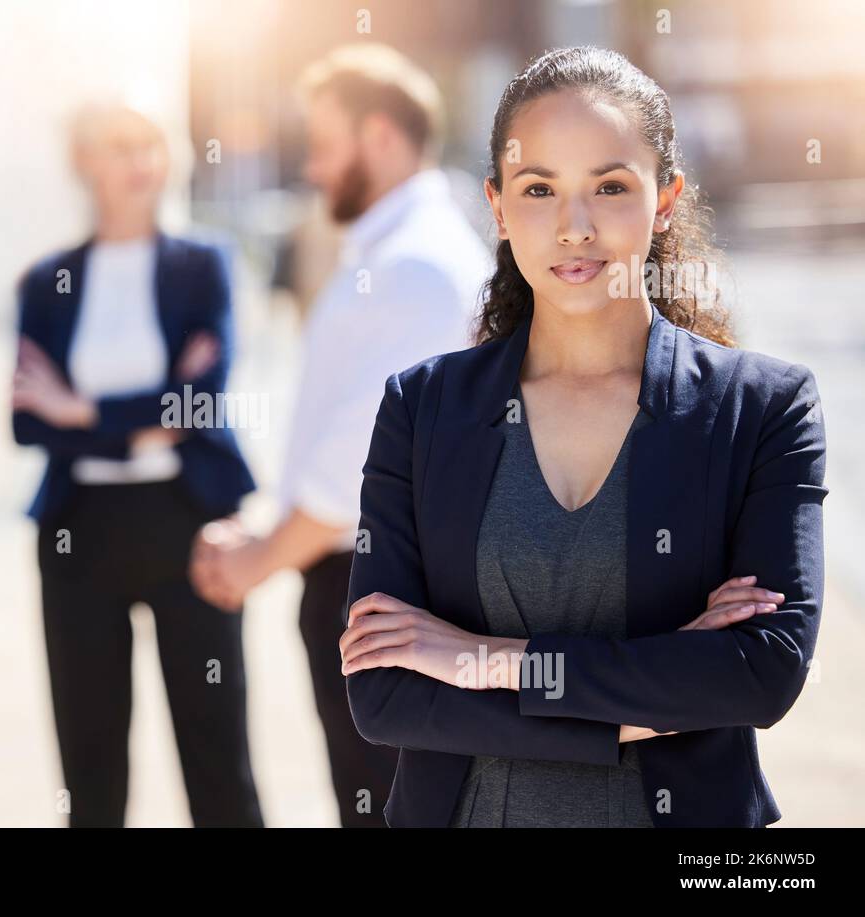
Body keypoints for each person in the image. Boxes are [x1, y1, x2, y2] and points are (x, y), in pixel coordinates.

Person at [339, 46, 827, 827]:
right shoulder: (422, 407)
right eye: (540, 189)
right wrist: (658, 690)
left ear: (664, 199)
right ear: (498, 208)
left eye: (609, 186)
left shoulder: (763, 409)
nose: (575, 227)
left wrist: (477, 659)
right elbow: (385, 692)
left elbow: (757, 674)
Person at [189, 44, 490, 826]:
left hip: (383, 594)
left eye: (324, 146)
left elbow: (359, 462)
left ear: (381, 137)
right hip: (371, 586)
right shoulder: (399, 255)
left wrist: (257, 556)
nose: (314, 169)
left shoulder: (416, 268)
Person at [12, 102, 262, 828]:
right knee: (90, 769)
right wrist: (147, 420)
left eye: (154, 144)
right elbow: (28, 418)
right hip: (78, 531)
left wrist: (82, 411)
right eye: (122, 146)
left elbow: (199, 404)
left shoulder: (201, 265)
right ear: (84, 161)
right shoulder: (47, 280)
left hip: (190, 521)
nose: (143, 160)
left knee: (217, 753)